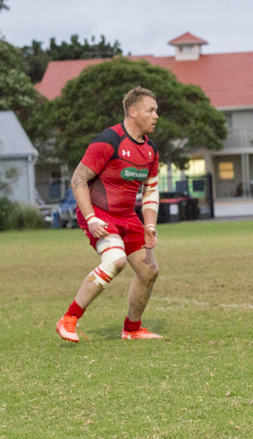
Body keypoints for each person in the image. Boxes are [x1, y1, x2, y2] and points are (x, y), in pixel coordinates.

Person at [56, 86, 164, 342]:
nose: (156, 115)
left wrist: (150, 226)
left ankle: (132, 329)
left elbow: (151, 192)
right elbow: (78, 180)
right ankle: (68, 320)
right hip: (99, 214)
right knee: (116, 261)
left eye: (156, 111)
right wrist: (91, 218)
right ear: (133, 111)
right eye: (151, 110)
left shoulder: (151, 150)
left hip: (128, 217)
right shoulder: (108, 140)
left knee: (149, 272)